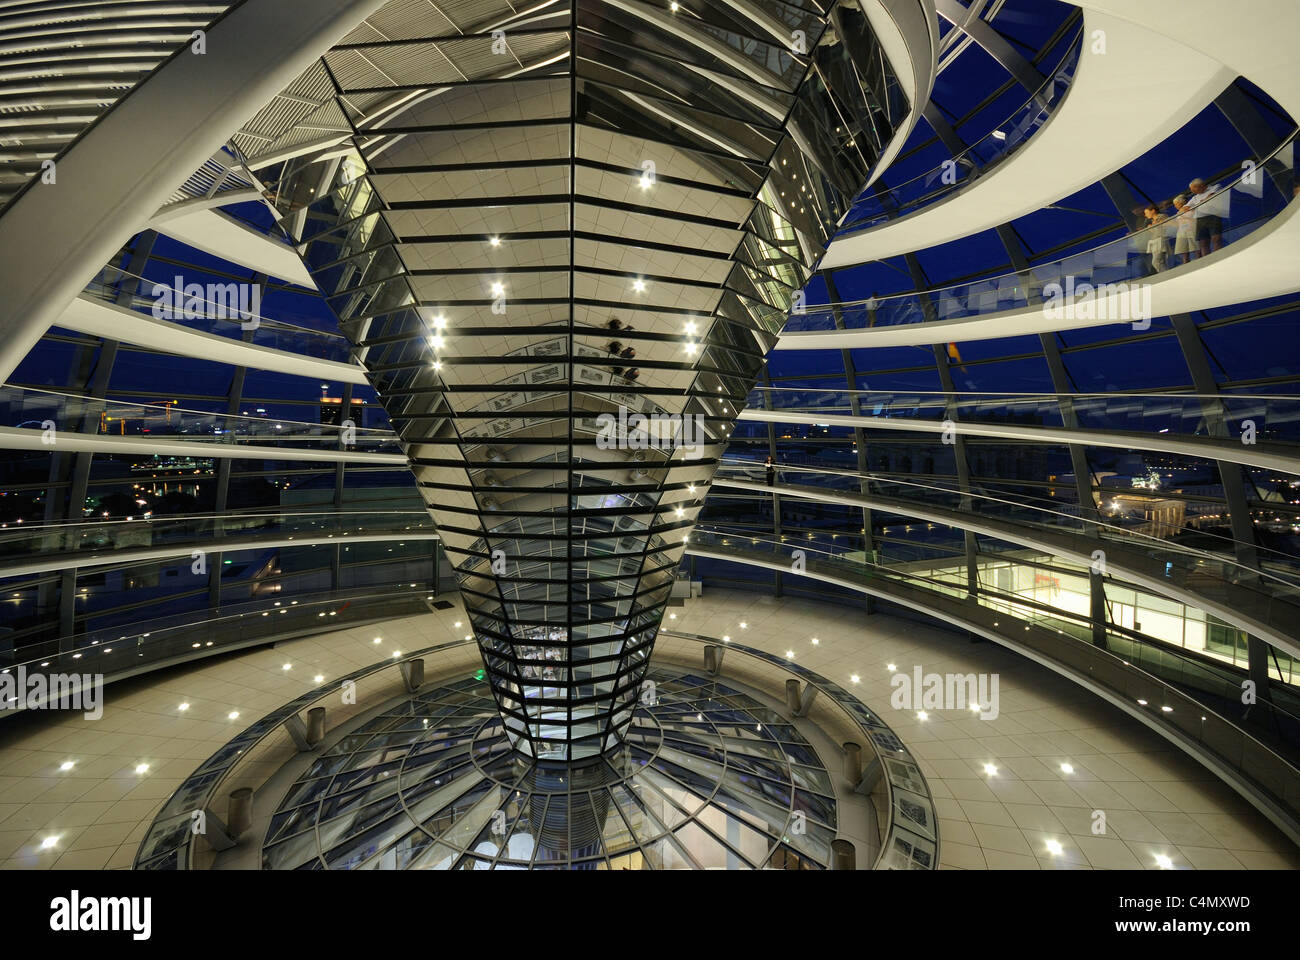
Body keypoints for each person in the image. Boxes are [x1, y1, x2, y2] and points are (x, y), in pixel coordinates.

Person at [1187, 177, 1225, 256]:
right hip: (1200, 220)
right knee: (1203, 243)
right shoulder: (1195, 197)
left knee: (1216, 238)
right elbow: (1186, 207)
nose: (1192, 191)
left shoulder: (1215, 187)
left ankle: (1218, 258)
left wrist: (1199, 204)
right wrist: (1188, 208)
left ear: (1200, 186)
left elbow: (1212, 196)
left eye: (1193, 189)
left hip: (1213, 216)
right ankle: (1208, 261)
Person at [1142, 202, 1171, 273]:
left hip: (1160, 240)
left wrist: (1152, 227)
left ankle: (1165, 274)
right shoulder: (1152, 221)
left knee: (1156, 261)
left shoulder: (1162, 216)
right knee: (1159, 261)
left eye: (1147, 212)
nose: (1146, 215)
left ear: (1153, 210)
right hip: (1155, 242)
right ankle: (1164, 273)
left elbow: (1164, 227)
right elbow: (1156, 231)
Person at [1172, 194, 1197, 265]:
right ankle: (1185, 264)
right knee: (1183, 249)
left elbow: (1193, 217)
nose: (1175, 206)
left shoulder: (1189, 207)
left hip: (1190, 229)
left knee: (1194, 247)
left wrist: (1184, 218)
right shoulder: (1178, 212)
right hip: (1182, 231)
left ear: (1182, 202)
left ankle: (1199, 260)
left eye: (1176, 204)